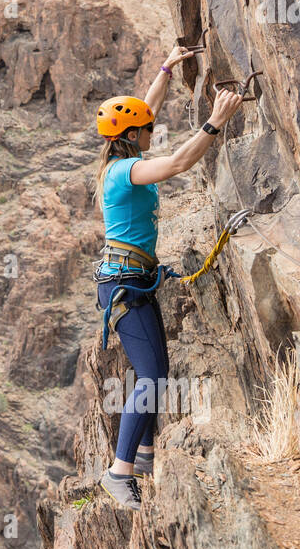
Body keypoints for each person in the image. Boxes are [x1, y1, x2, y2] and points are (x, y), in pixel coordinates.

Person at [92, 47, 244, 511]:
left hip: (132, 281)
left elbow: (146, 109)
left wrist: (164, 71)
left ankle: (142, 456)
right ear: (131, 135)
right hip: (125, 285)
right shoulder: (126, 171)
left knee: (156, 373)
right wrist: (214, 122)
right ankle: (119, 474)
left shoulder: (121, 157)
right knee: (153, 377)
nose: (152, 132)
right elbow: (178, 164)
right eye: (147, 130)